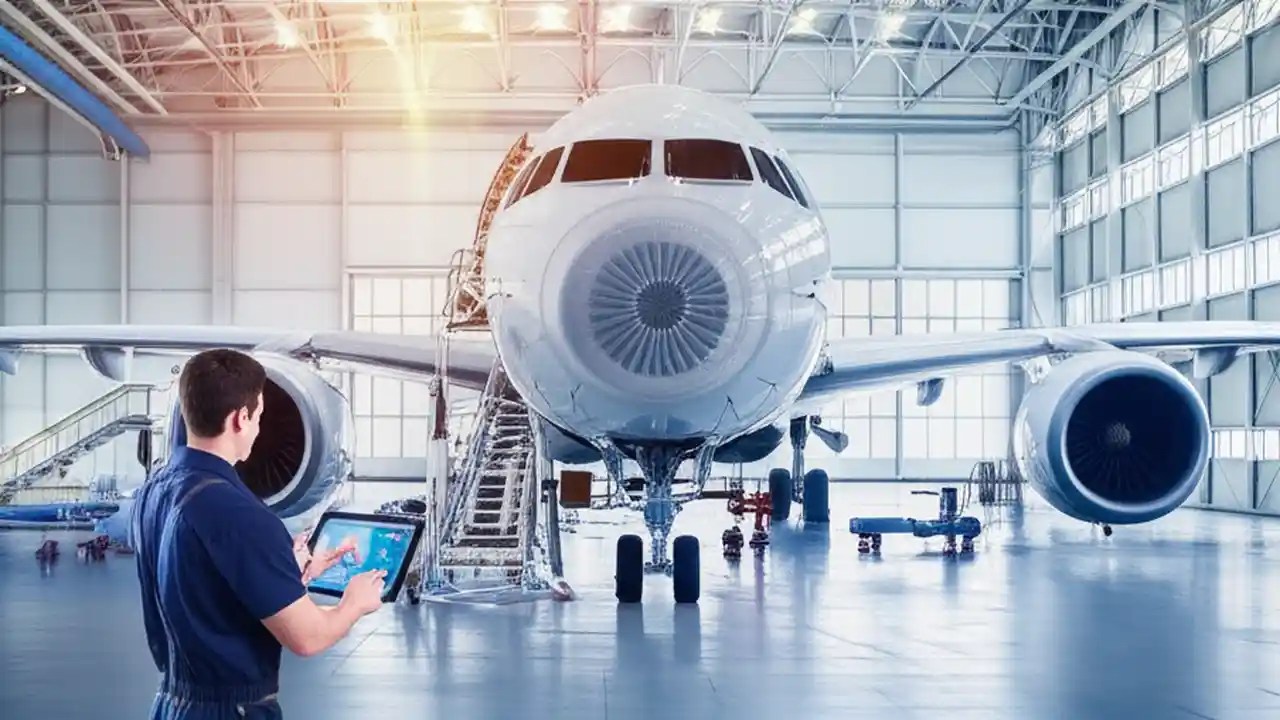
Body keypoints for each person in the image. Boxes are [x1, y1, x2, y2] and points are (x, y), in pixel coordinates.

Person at [132, 349, 386, 719]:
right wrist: (354, 603)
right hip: (229, 710)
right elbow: (308, 637)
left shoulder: (154, 491)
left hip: (172, 704)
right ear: (240, 418)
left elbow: (197, 580)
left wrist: (290, 569)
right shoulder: (239, 513)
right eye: (259, 417)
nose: (259, 429)